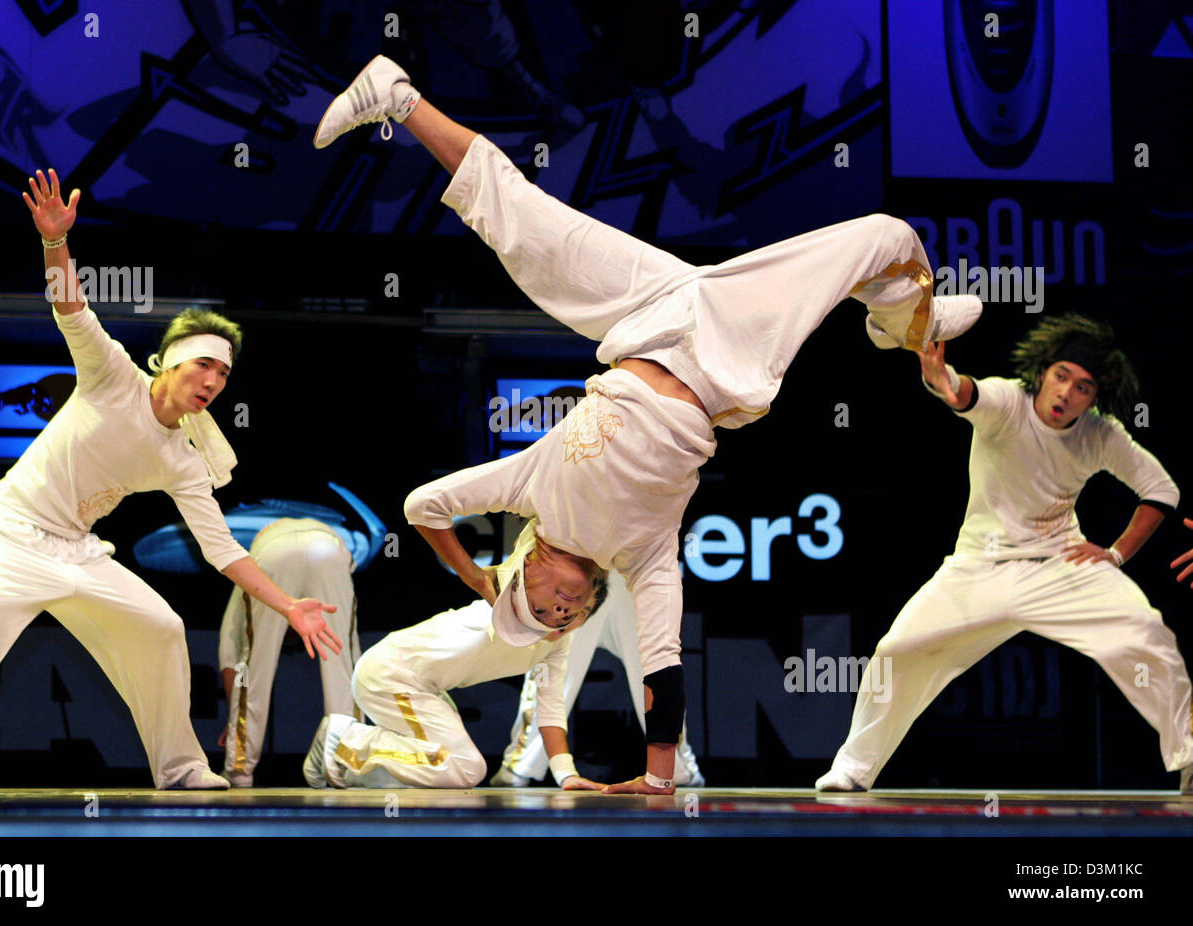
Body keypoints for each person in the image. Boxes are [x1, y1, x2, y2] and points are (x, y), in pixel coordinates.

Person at [312, 55, 982, 794]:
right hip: (722, 350)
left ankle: (396, 94)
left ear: (525, 569)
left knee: (524, 224)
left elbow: (421, 506)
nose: (561, 608)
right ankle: (909, 323)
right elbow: (663, 660)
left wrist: (474, 575)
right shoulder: (644, 555)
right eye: (561, 617)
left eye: (541, 605)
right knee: (883, 233)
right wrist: (658, 776)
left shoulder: (528, 487)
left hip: (644, 317)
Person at [0, 170, 341, 791]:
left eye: (224, 373)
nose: (214, 381)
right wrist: (55, 243)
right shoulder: (113, 377)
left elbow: (221, 550)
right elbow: (72, 309)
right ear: (169, 361)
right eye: (205, 365)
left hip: (79, 552)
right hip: (8, 536)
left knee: (161, 627)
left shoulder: (186, 457)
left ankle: (182, 765)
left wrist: (288, 603)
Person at [815, 314, 1193, 795]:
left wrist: (1116, 554)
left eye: (1083, 387)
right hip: (979, 569)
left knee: (1146, 634)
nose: (1066, 394)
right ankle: (853, 768)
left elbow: (1161, 490)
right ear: (1043, 372)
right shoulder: (1008, 401)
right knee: (896, 652)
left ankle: (1190, 756)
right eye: (1061, 377)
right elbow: (965, 394)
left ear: (1094, 397)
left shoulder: (1100, 434)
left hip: (1060, 567)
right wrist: (942, 380)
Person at [303, 521, 607, 790]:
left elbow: (551, 708)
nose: (556, 618)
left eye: (574, 612)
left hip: (423, 688)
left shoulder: (556, 645)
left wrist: (566, 774)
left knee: (451, 765)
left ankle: (345, 752)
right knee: (466, 766)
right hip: (389, 674)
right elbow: (520, 570)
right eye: (546, 605)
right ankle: (344, 743)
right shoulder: (501, 611)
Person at [490, 571, 704, 787]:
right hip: (580, 562)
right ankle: (520, 765)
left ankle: (675, 767)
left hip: (638, 564)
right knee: (552, 660)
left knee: (657, 668)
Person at [219, 517, 361, 787]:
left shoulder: (246, 585)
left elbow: (236, 665)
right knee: (343, 663)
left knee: (254, 665)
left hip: (271, 553)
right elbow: (353, 661)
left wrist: (234, 720)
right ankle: (347, 766)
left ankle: (239, 770)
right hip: (328, 547)